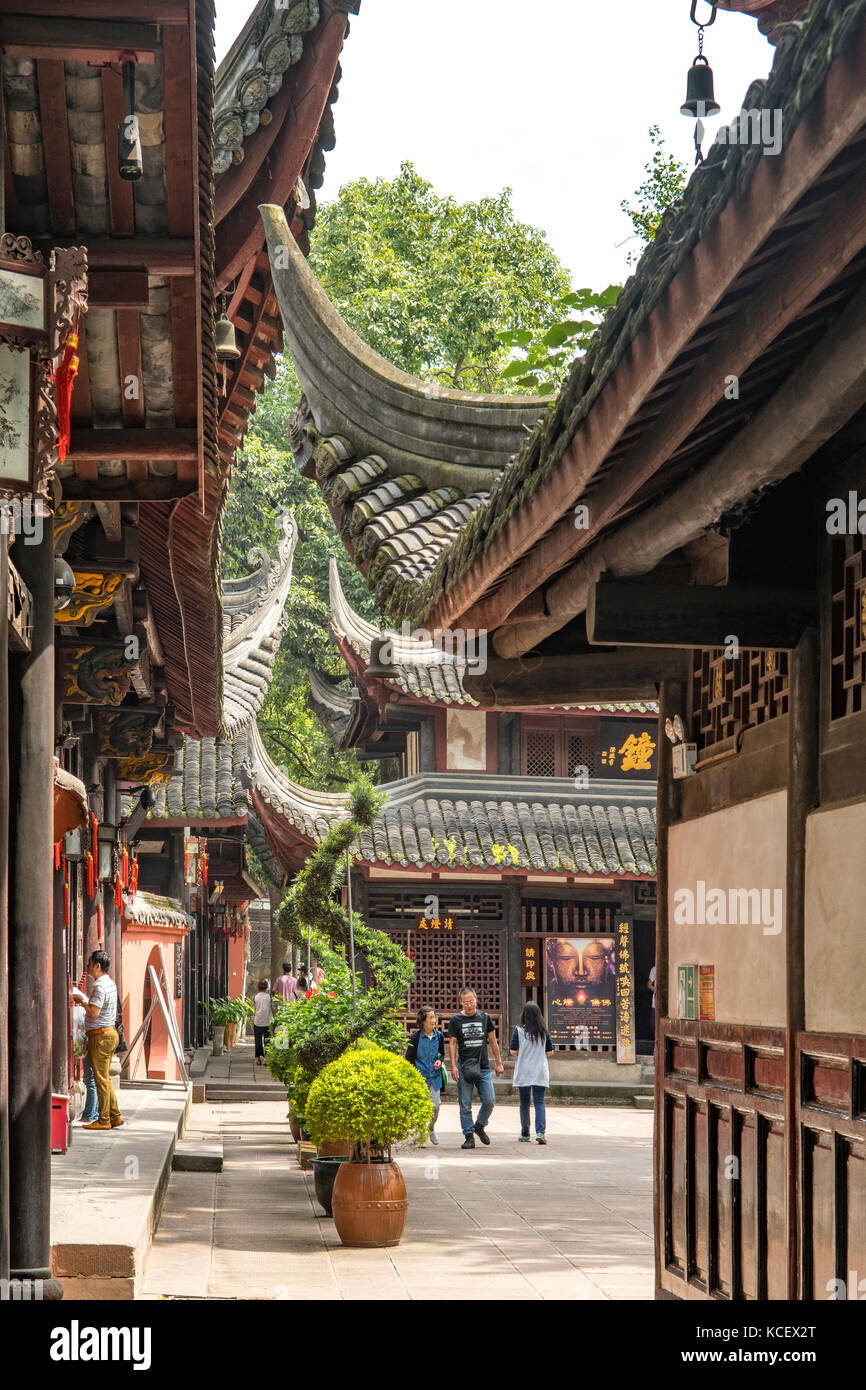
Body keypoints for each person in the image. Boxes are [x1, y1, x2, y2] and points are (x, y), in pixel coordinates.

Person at [71, 950, 122, 1131]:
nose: (87, 967)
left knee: (100, 1079)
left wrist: (81, 1000)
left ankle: (104, 1119)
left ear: (97, 966)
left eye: (89, 964)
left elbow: (94, 1012)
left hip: (101, 1036)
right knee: (105, 1079)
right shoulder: (110, 983)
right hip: (108, 1034)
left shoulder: (100, 986)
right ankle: (115, 1116)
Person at [447, 987, 504, 1149]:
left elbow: (493, 1042)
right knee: (465, 1104)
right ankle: (468, 1135)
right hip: (464, 1066)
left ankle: (479, 1125)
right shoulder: (456, 1020)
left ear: (476, 1000)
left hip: (483, 1066)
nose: (469, 1005)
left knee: (490, 1100)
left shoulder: (485, 1018)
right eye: (466, 1002)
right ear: (461, 1003)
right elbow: (452, 1043)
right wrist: (453, 1067)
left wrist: (499, 1063)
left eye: (471, 1001)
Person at [509, 1002, 554, 1144]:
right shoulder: (543, 1032)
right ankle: (540, 1132)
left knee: (524, 1102)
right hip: (540, 1070)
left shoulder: (519, 1031)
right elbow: (550, 1051)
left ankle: (525, 1133)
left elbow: (513, 1051)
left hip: (524, 1070)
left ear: (524, 1015)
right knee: (539, 1101)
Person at [405, 1006, 446, 1145]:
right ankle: (422, 1134)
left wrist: (439, 1061)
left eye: (434, 1017)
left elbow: (442, 1054)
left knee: (436, 1106)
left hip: (435, 1077)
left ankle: (431, 1128)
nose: (434, 1020)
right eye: (431, 1018)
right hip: (420, 1076)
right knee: (421, 1107)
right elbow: (409, 1057)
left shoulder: (439, 1036)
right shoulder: (416, 1037)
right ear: (423, 1021)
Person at [253, 979, 274, 1064]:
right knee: (267, 1040)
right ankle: (266, 1059)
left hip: (258, 1021)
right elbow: (271, 1007)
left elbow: (255, 1007)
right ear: (266, 988)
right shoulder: (269, 997)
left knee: (258, 1041)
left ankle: (258, 1059)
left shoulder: (255, 997)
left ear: (258, 987)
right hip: (267, 1021)